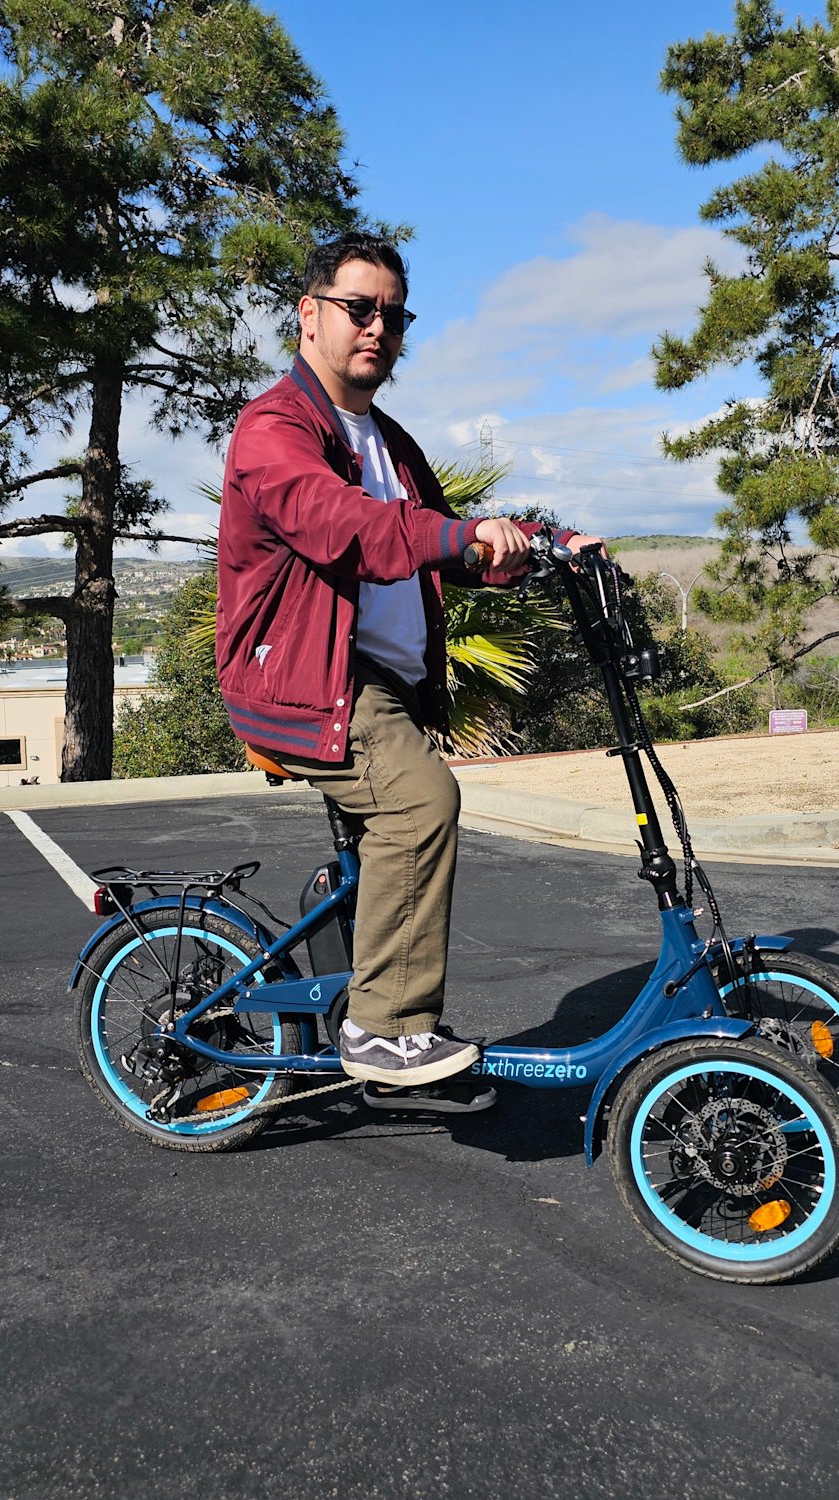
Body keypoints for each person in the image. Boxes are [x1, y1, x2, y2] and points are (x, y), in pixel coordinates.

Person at [216, 232, 600, 1110]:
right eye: (360, 308)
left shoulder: (386, 437)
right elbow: (340, 525)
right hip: (301, 684)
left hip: (373, 682)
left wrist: (533, 546)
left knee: (382, 843)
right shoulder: (275, 429)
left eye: (394, 314)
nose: (378, 328)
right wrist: (454, 537)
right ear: (308, 315)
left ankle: (360, 990)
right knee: (421, 802)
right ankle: (382, 1030)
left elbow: (434, 536)